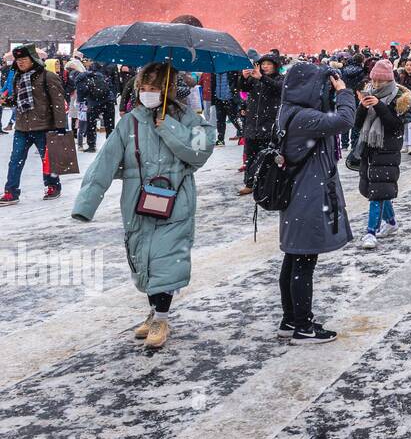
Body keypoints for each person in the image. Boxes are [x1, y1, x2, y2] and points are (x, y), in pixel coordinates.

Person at [70, 62, 217, 348]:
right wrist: (86, 204)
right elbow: (105, 162)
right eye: (144, 88)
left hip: (176, 201)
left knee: (165, 257)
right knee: (143, 259)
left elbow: (199, 153)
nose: (148, 93)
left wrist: (169, 128)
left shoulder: (192, 120)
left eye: (155, 88)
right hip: (137, 201)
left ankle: (162, 317)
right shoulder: (130, 121)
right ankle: (154, 311)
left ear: (168, 91)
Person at [276, 61, 355, 343]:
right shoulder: (305, 117)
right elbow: (345, 120)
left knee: (294, 257)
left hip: (299, 192)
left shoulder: (289, 111)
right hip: (307, 195)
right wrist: (345, 92)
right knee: (304, 261)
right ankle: (303, 327)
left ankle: (290, 320)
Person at [355, 59, 411, 250]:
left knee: (377, 192)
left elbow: (395, 126)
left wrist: (380, 106)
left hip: (387, 149)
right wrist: (362, 107)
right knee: (373, 189)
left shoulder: (400, 98)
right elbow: (357, 124)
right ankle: (391, 222)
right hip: (369, 147)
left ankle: (370, 232)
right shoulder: (370, 92)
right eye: (374, 81)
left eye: (379, 82)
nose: (375, 85)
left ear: (388, 81)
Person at [1, 45, 68, 205]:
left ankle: (53, 186)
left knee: (48, 160)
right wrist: (8, 101)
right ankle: (11, 191)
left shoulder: (48, 76)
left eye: (24, 59)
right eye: (18, 60)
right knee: (15, 160)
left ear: (33, 60)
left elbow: (57, 102)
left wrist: (60, 127)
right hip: (22, 127)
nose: (21, 63)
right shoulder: (17, 77)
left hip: (44, 126)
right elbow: (18, 99)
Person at [236, 54, 283, 196]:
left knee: (269, 157)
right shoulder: (254, 79)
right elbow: (242, 88)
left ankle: (269, 184)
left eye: (269, 64)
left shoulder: (280, 79)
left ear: (275, 66)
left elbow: (278, 88)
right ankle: (250, 184)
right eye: (263, 64)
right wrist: (243, 77)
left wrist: (262, 78)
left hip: (269, 125)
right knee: (250, 156)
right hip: (252, 125)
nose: (265, 66)